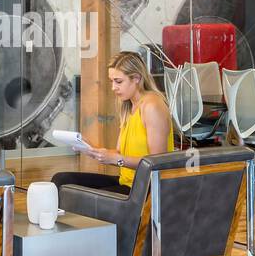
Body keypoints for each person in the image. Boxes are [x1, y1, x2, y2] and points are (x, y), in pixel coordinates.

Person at [52, 51, 174, 195]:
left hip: (147, 188)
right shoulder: (128, 106)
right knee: (61, 180)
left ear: (136, 78)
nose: (113, 87)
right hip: (127, 182)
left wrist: (118, 160)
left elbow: (157, 162)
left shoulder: (152, 106)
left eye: (119, 81)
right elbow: (118, 153)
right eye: (112, 81)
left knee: (88, 195)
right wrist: (90, 148)